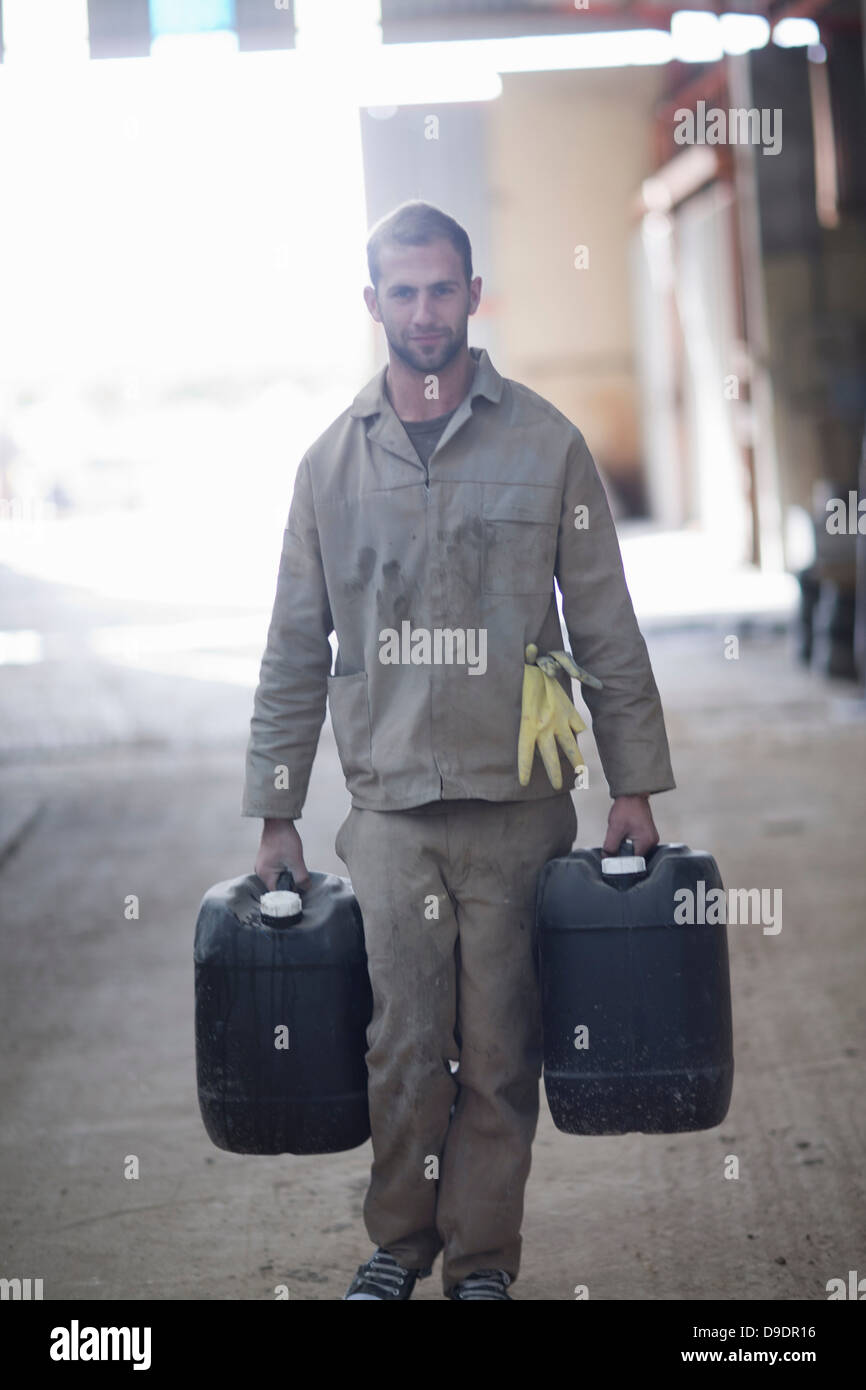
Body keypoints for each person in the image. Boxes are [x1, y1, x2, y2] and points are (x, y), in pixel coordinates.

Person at [242, 200, 675, 1300]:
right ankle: (397, 1241)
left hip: (516, 803)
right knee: (400, 1047)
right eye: (403, 290)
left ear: (471, 294)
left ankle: (480, 1258)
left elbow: (604, 622)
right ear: (373, 303)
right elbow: (296, 644)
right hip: (387, 807)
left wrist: (633, 784)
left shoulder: (545, 445)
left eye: (442, 288)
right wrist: (277, 807)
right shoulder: (327, 467)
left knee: (498, 1053)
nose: (424, 310)